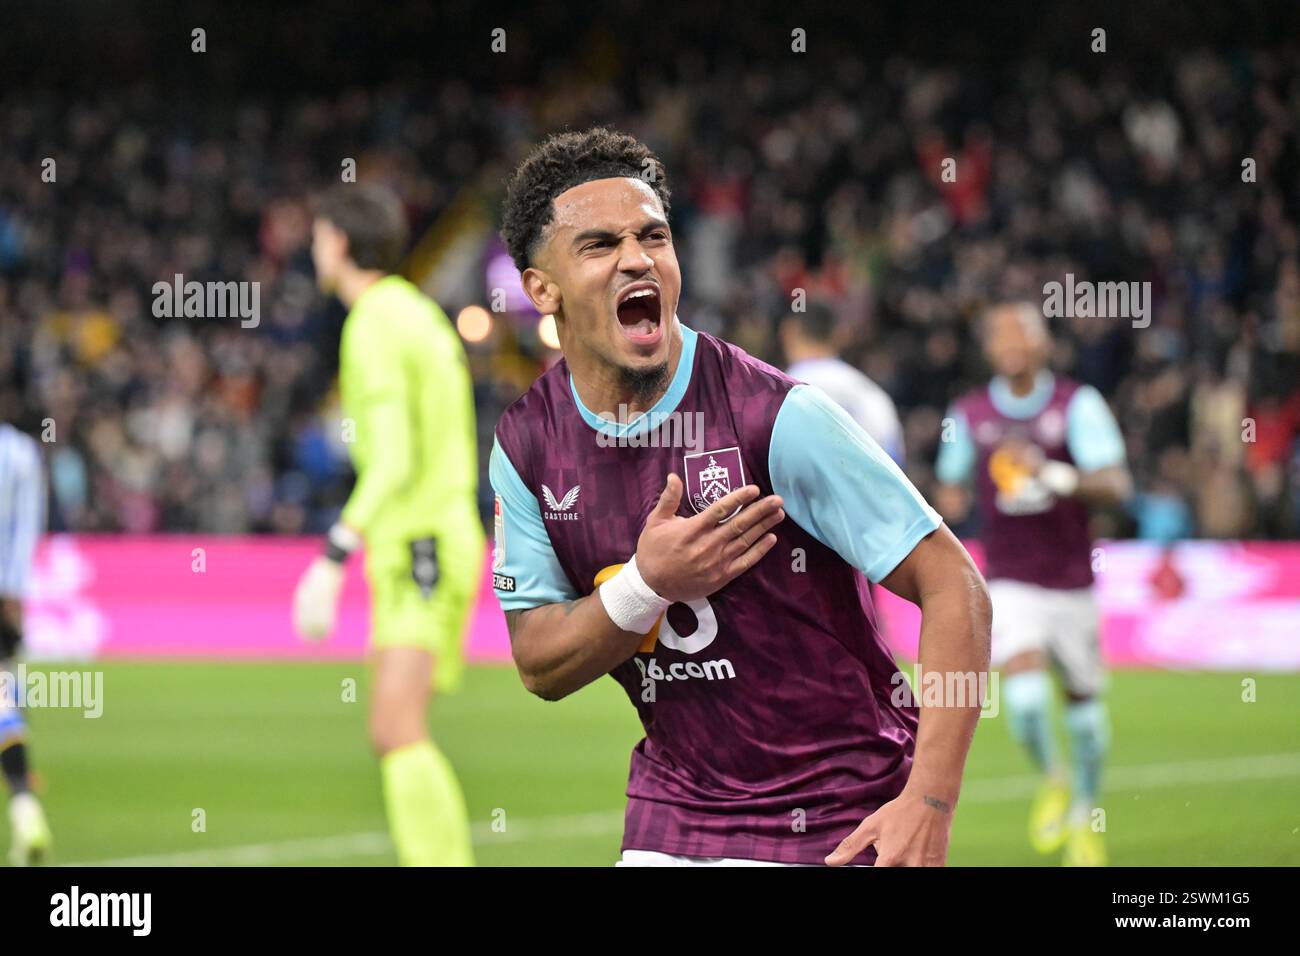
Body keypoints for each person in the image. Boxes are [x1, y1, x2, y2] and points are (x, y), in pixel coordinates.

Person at [490, 127, 991, 866]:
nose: (638, 258)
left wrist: (930, 799)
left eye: (653, 237)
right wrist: (647, 585)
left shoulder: (776, 415)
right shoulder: (527, 444)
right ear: (542, 288)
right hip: (674, 813)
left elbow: (956, 586)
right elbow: (540, 665)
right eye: (599, 246)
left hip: (838, 812)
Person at [292, 184, 484, 866]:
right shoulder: (417, 313)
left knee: (396, 727)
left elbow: (395, 458)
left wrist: (335, 549)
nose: (313, 249)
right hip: (437, 536)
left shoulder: (373, 321)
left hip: (419, 543)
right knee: (395, 727)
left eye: (318, 237)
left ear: (340, 244)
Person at [935, 302, 1132, 866]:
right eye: (1001, 333)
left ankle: (1086, 813)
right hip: (1011, 580)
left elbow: (1116, 484)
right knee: (1021, 702)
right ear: (990, 347)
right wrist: (949, 501)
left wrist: (1051, 472)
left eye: (1024, 330)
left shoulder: (1077, 404)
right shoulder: (969, 413)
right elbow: (950, 487)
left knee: (1086, 714)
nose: (1013, 341)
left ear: (1045, 342)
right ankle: (1053, 777)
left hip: (1071, 583)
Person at [0, 420, 53, 865]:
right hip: (5, 597)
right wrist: (14, 592)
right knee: (3, 697)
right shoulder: (20, 453)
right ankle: (23, 802)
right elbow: (26, 528)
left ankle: (23, 805)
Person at [781, 302, 906, 465]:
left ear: (789, 332)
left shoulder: (777, 394)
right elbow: (895, 466)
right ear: (838, 334)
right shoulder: (872, 394)